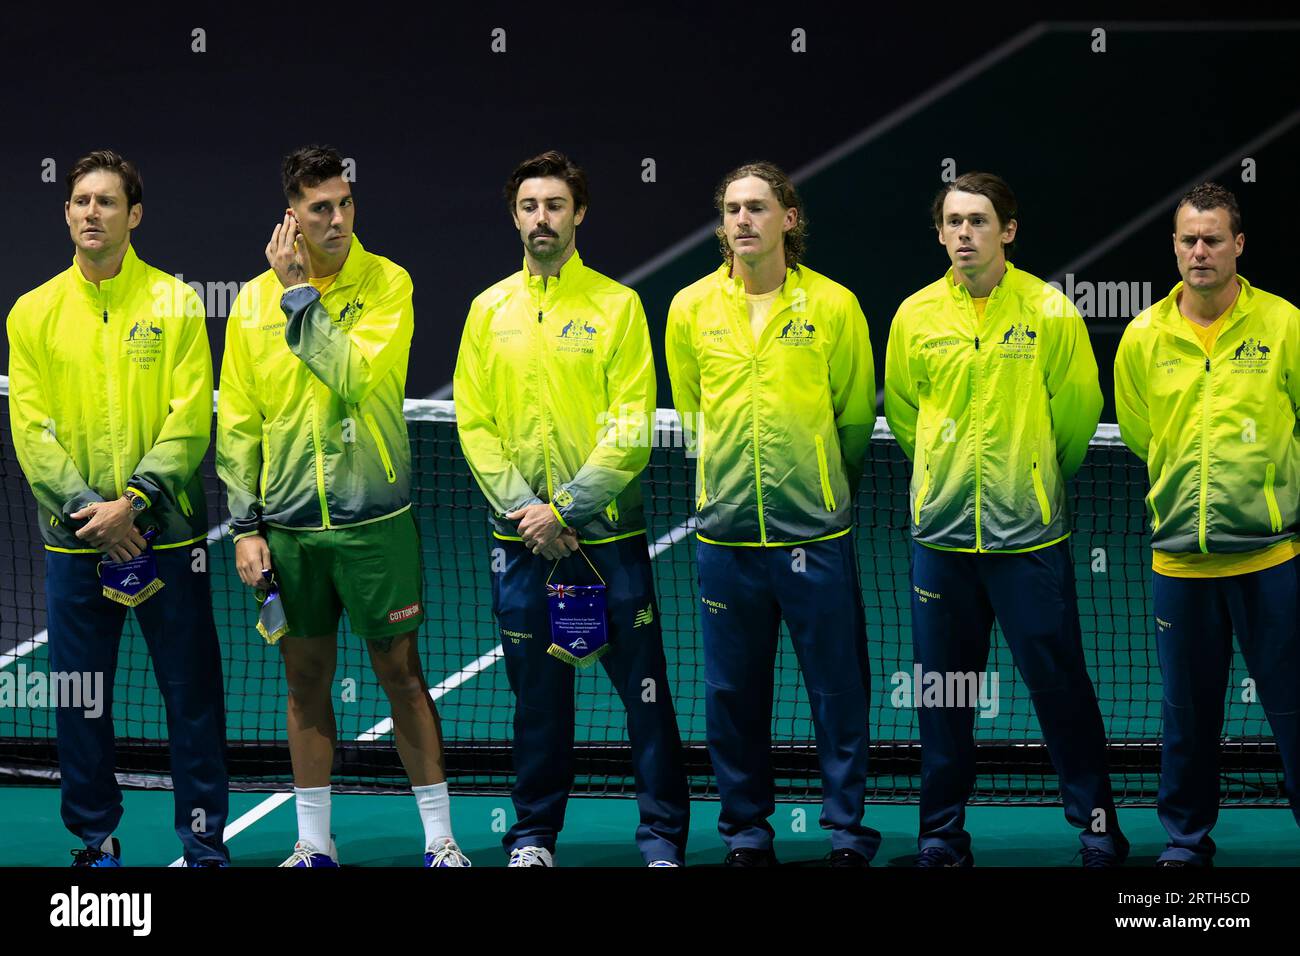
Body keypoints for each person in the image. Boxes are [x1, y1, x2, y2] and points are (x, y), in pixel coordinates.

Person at [217, 145, 467, 867]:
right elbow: (238, 417)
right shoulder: (249, 302)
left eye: (344, 203)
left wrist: (300, 297)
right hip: (288, 532)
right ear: (290, 215)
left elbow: (355, 377)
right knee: (304, 682)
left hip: (373, 523)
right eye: (319, 207)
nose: (336, 219)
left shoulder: (387, 283)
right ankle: (313, 843)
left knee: (401, 675)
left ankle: (441, 841)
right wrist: (245, 525)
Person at [884, 171, 1127, 867]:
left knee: (1062, 691)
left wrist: (1032, 483)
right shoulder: (915, 316)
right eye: (954, 222)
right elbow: (906, 415)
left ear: (1008, 231)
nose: (966, 234)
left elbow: (1076, 413)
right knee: (944, 698)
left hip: (1030, 544)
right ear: (940, 232)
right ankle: (941, 835)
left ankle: (1099, 827)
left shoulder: (1050, 310)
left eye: (980, 221)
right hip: (943, 546)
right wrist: (944, 479)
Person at [455, 150, 689, 867]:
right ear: (514, 215)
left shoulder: (617, 307)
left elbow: (631, 425)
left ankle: (662, 841)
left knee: (645, 697)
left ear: (578, 213)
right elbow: (475, 422)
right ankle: (532, 837)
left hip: (606, 539)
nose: (541, 218)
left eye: (555, 205)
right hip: (522, 542)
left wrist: (568, 508)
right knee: (536, 702)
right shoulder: (487, 310)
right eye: (529, 206)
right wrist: (529, 510)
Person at [6, 149, 229, 866]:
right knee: (80, 703)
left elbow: (190, 416)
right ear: (66, 212)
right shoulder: (33, 313)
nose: (91, 213)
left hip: (165, 538)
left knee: (192, 699)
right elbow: (31, 429)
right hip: (78, 547)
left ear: (134, 215)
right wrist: (90, 514)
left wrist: (132, 504)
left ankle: (202, 844)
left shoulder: (176, 302)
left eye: (106, 202)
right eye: (80, 202)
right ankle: (95, 841)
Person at [665, 161, 878, 867]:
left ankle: (846, 834)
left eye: (758, 207)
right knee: (731, 697)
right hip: (724, 542)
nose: (743, 221)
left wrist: (819, 490)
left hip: (814, 539)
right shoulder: (690, 308)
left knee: (838, 692)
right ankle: (747, 835)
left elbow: (852, 420)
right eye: (732, 209)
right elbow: (696, 414)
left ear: (789, 217)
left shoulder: (836, 306)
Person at [1114, 182, 1300, 866]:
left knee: (1295, 714)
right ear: (1173, 246)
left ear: (1238, 245)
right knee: (1186, 721)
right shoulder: (1142, 336)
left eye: (1213, 238)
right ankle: (1186, 841)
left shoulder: (1285, 325)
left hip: (1270, 561)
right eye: (1188, 239)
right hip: (1181, 567)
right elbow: (1140, 432)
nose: (1200, 250)